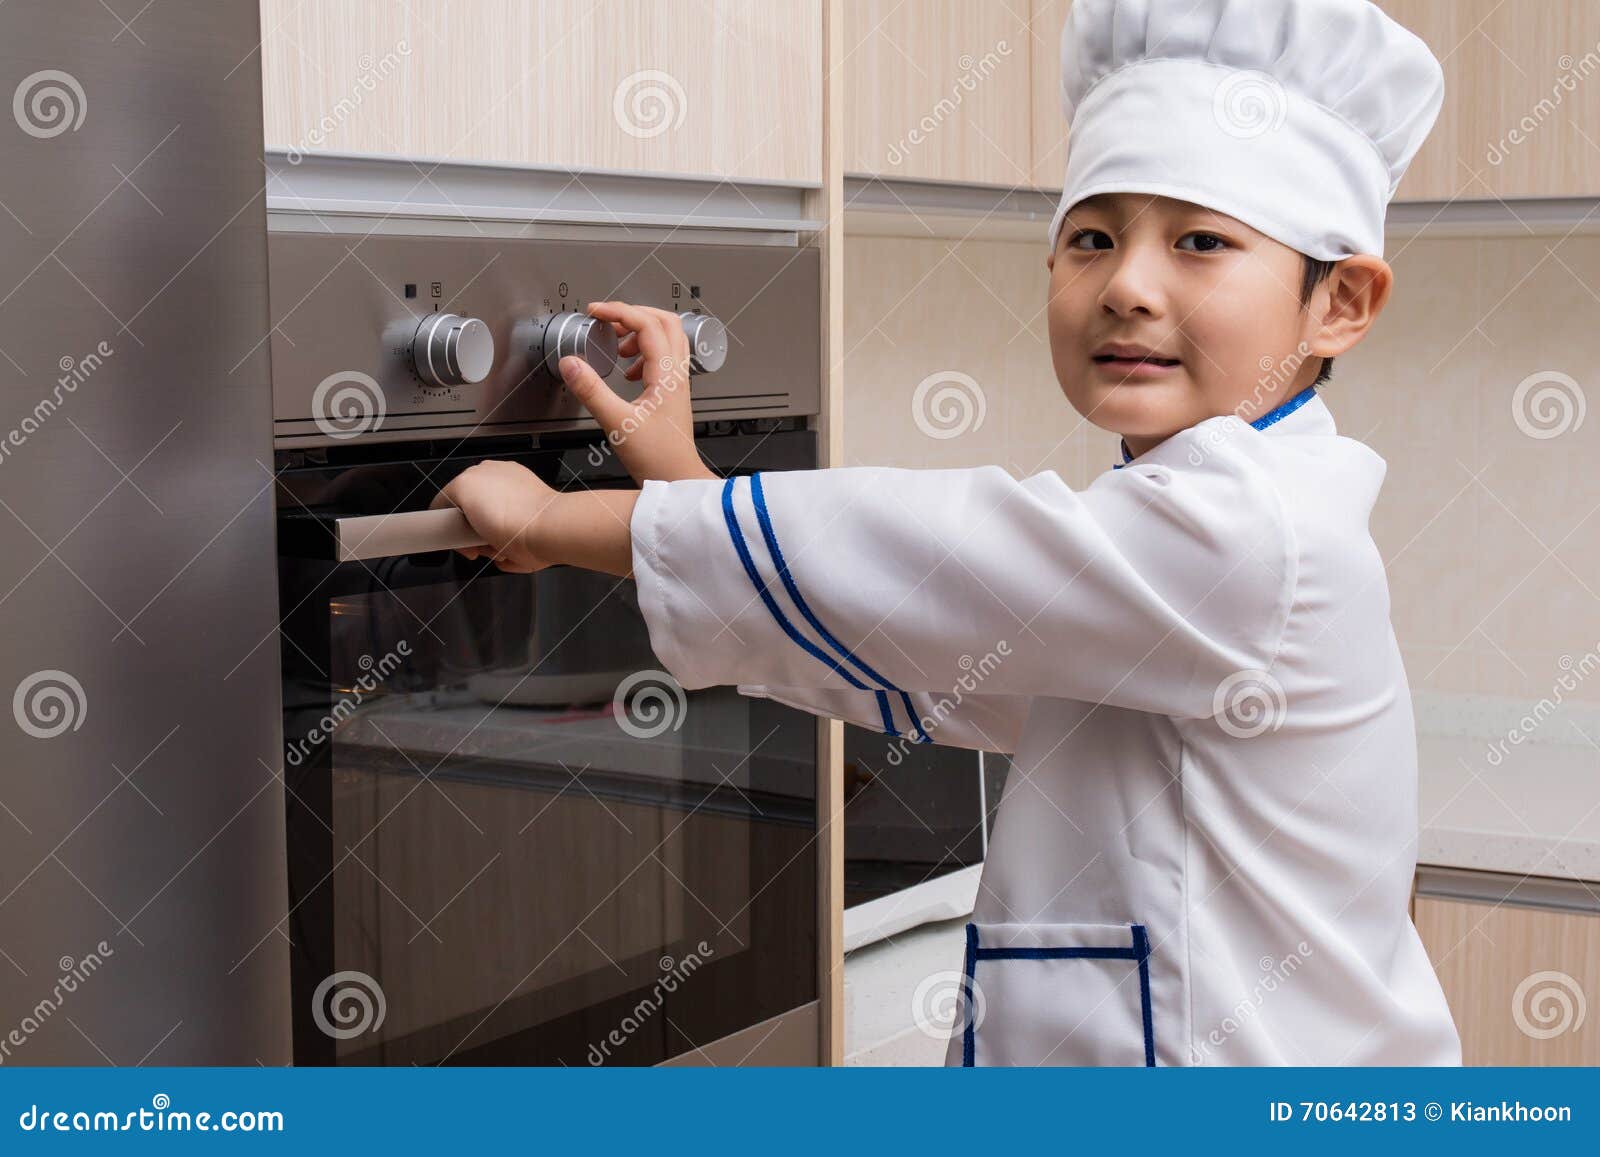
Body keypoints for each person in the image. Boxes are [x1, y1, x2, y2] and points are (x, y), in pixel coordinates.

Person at [431, 0, 1462, 1066]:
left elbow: (942, 552)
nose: (1127, 287)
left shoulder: (1256, 529)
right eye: (1091, 238)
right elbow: (953, 640)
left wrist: (556, 518)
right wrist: (687, 486)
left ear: (1339, 301)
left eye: (1200, 242)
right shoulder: (1209, 507)